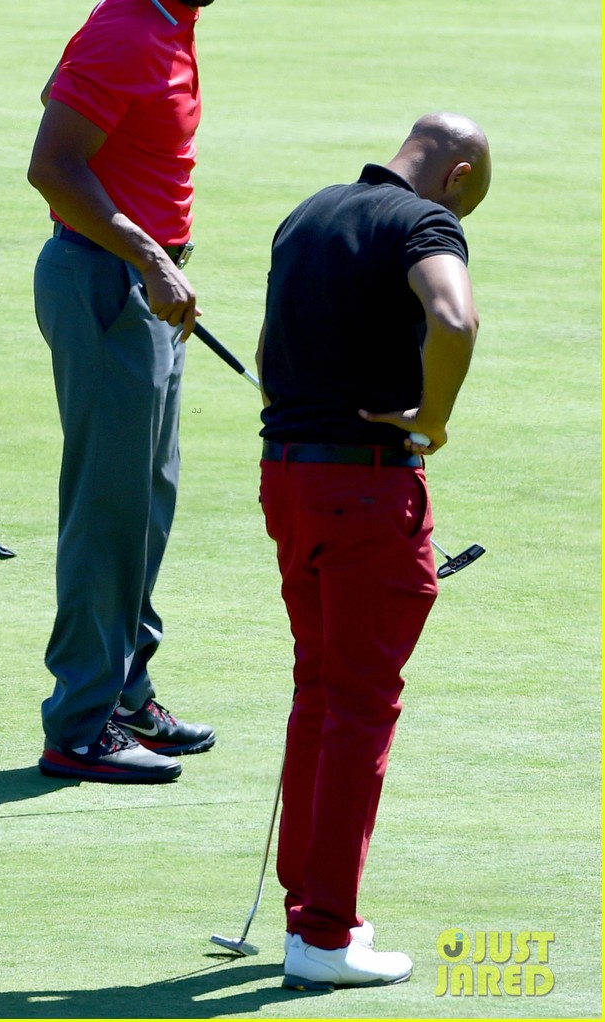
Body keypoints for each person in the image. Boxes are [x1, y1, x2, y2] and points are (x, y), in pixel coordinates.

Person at [256, 113, 491, 990]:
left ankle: (309, 909)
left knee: (318, 691)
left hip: (288, 478)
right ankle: (324, 934)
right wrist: (432, 420)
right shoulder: (425, 221)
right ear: (456, 175)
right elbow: (453, 319)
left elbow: (267, 351)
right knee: (358, 707)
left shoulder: (308, 212)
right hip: (366, 489)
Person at [27, 0, 225, 785]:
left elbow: (63, 98)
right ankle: (78, 727)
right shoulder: (125, 29)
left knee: (149, 499)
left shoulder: (163, 17)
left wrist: (157, 263)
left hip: (143, 284)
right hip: (108, 282)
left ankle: (126, 692)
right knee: (106, 513)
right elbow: (52, 166)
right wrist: (150, 255)